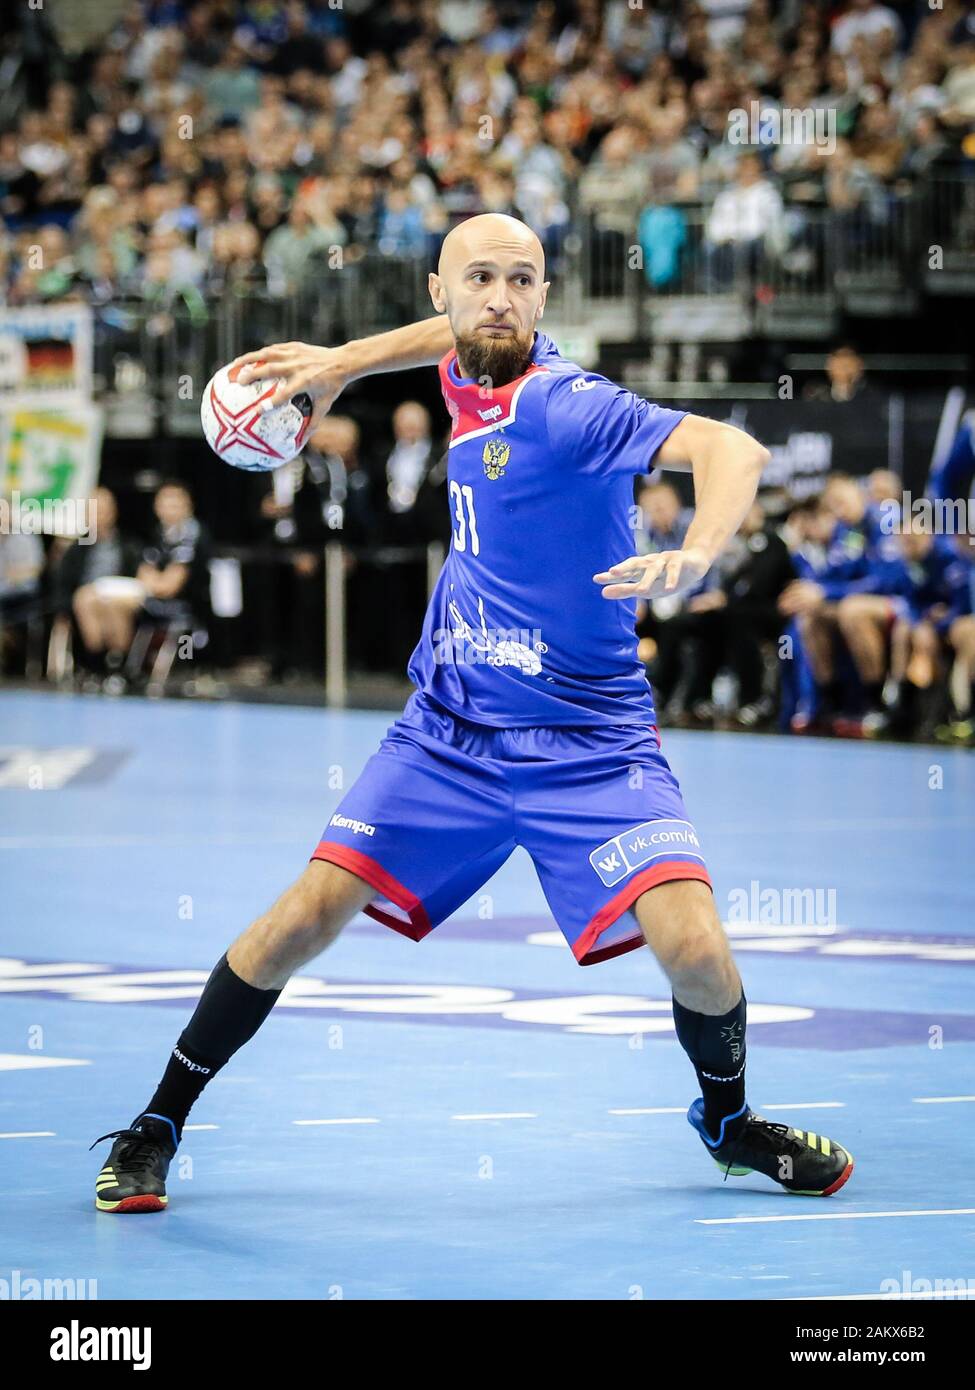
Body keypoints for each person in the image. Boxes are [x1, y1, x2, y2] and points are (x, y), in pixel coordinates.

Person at [91, 214, 853, 1212]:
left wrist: (700, 550)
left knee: (701, 954)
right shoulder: (463, 368)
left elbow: (731, 449)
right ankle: (157, 1123)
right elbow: (437, 341)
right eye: (479, 278)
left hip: (590, 740)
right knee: (300, 919)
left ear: (544, 299)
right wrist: (338, 366)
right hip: (449, 730)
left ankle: (728, 1119)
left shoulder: (566, 405)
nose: (501, 296)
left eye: (522, 279)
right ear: (444, 292)